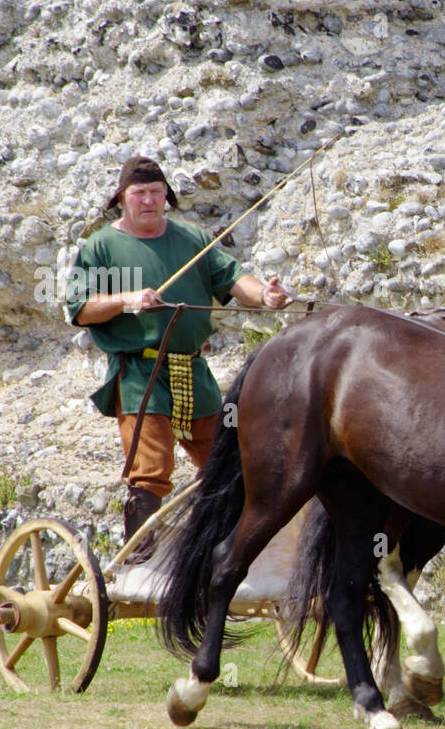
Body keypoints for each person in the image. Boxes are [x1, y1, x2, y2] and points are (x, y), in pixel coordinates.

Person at [65, 155, 291, 561]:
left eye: (156, 193)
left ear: (166, 197)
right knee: (150, 472)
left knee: (228, 463)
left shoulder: (192, 238)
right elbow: (81, 308)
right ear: (121, 198)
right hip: (140, 374)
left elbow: (232, 277)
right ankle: (140, 561)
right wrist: (127, 299)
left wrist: (264, 296)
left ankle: (228, 555)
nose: (149, 201)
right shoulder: (101, 246)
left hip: (192, 369)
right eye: (139, 193)